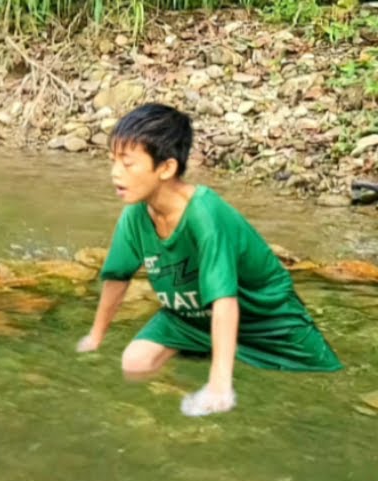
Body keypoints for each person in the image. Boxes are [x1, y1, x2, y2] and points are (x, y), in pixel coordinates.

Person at [76, 102, 342, 417]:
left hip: (268, 323)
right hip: (188, 318)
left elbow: (225, 300)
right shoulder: (134, 215)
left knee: (324, 394)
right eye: (112, 161)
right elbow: (118, 277)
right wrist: (96, 335)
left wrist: (219, 385)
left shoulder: (204, 214)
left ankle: (225, 382)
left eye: (128, 163)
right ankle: (170, 410)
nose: (115, 173)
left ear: (166, 168)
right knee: (134, 363)